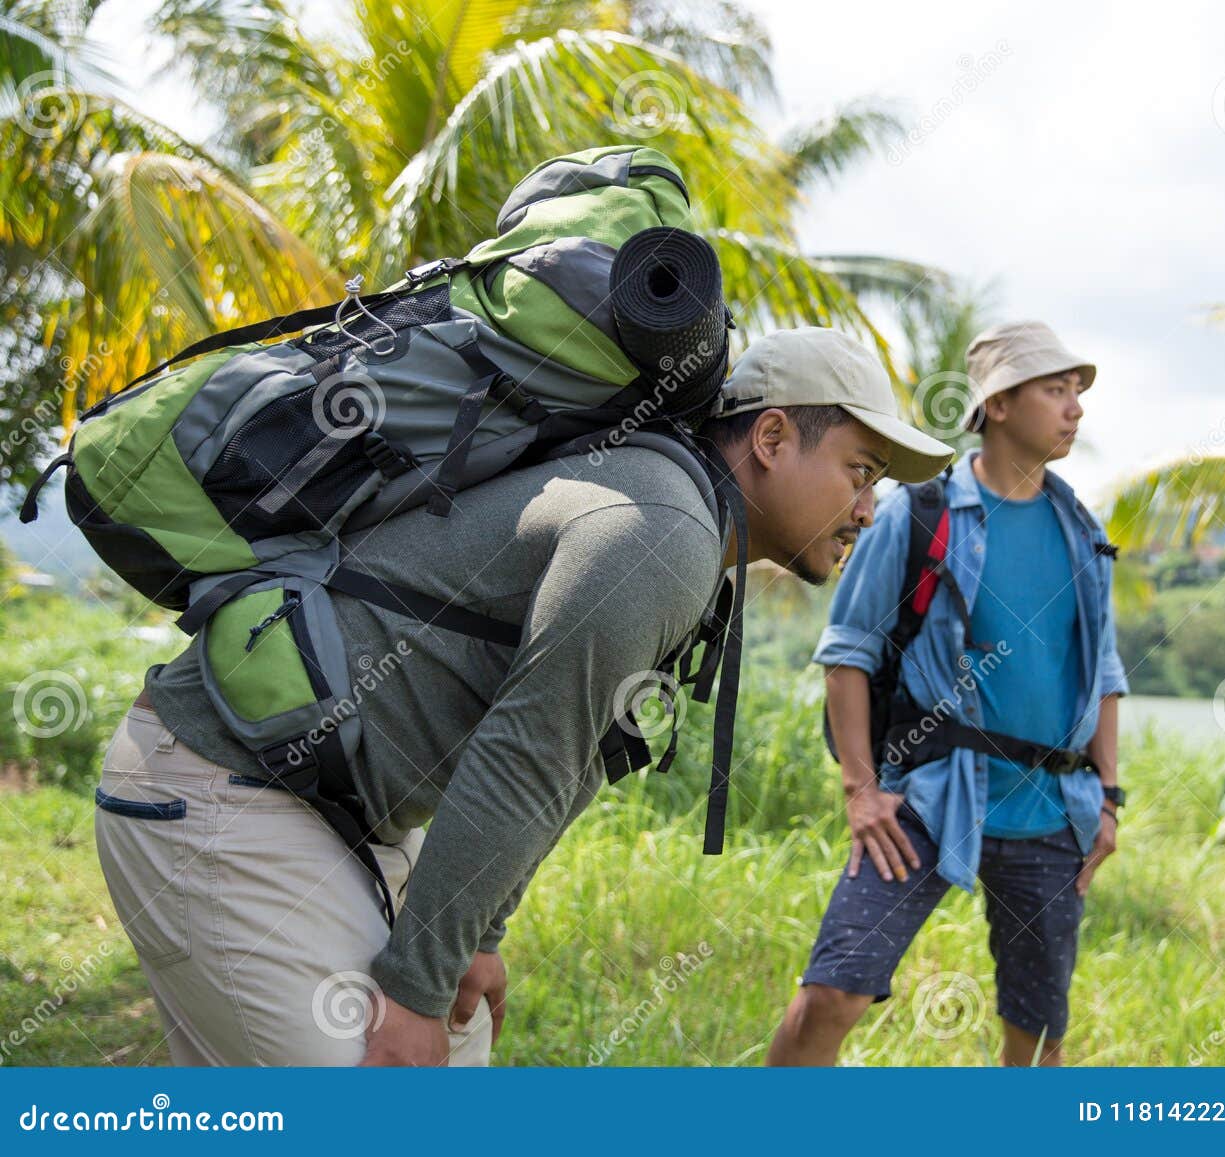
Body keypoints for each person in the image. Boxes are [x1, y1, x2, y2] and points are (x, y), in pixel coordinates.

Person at [92, 326, 953, 1066]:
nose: (868, 509)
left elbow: (568, 754)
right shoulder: (668, 532)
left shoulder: (679, 523)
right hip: (222, 786)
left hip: (320, 807)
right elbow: (526, 755)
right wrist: (417, 989)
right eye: (858, 471)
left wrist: (479, 935)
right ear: (771, 438)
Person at [766, 319, 1129, 1067]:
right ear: (998, 403)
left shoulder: (1083, 531)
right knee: (832, 994)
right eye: (1056, 389)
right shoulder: (917, 513)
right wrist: (861, 790)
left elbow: (1107, 673)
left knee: (1037, 1039)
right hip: (927, 799)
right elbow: (847, 655)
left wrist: (1111, 797)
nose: (1076, 408)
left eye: (1077, 392)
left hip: (1050, 811)